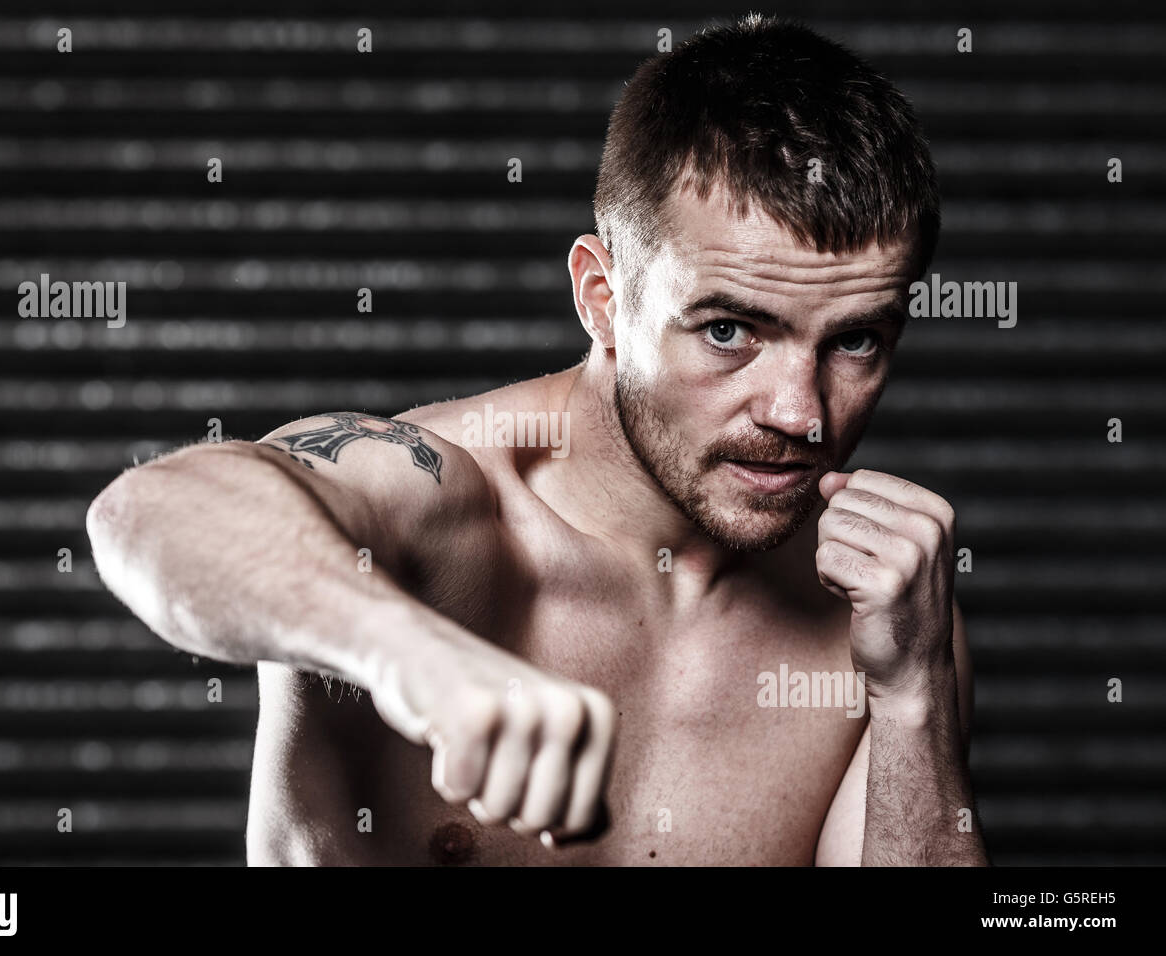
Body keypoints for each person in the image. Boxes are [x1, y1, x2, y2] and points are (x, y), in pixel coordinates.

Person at [87, 13, 987, 866]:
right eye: (728, 331)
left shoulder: (881, 612)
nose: (802, 415)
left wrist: (914, 700)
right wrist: (414, 658)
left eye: (856, 340)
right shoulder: (439, 504)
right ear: (601, 297)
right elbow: (151, 513)